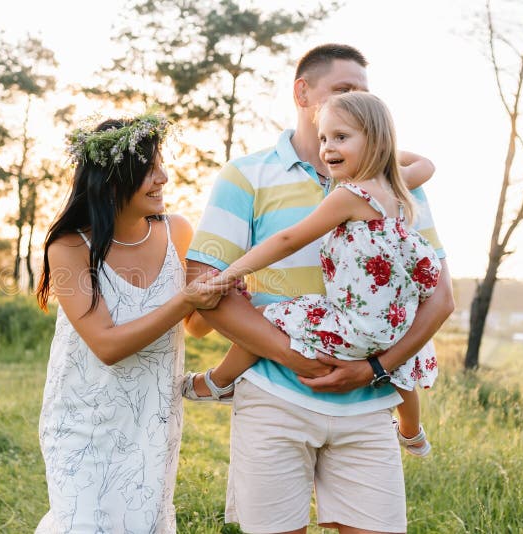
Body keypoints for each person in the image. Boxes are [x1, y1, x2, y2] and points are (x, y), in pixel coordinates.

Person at [184, 44, 455, 533]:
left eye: (363, 96)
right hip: (275, 398)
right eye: (343, 90)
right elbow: (202, 289)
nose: (353, 103)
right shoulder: (246, 175)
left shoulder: (394, 188)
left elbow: (441, 296)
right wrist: (296, 358)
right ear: (302, 93)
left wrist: (374, 368)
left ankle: (215, 382)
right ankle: (222, 383)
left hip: (370, 405)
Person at [34, 113, 227, 533]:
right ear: (114, 179)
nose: (164, 177)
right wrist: (186, 301)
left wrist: (222, 290)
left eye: (161, 164)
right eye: (149, 168)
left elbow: (193, 325)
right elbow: (106, 345)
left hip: (152, 422)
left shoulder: (177, 230)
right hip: (85, 424)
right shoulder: (69, 247)